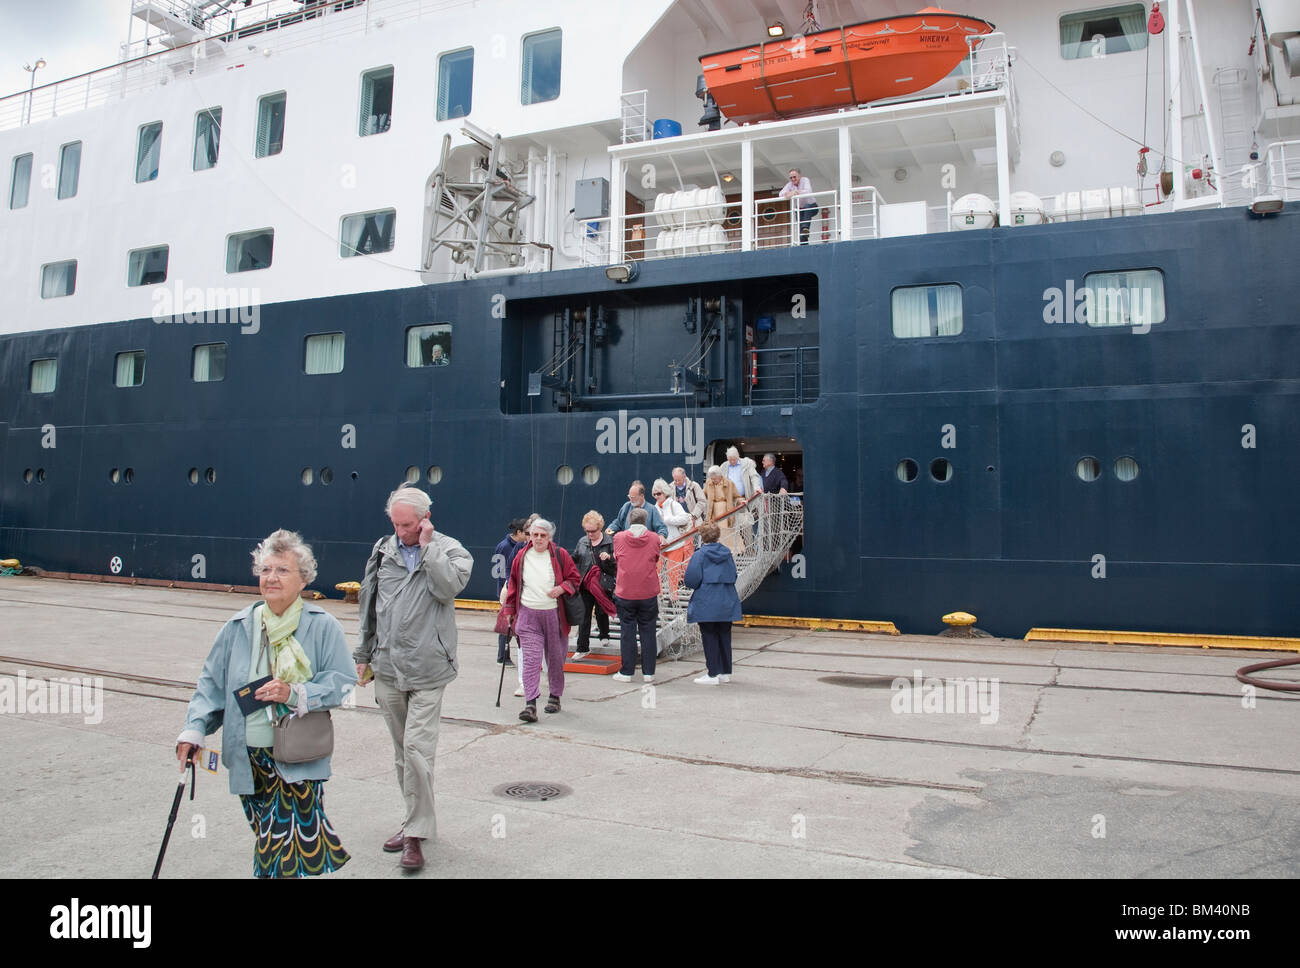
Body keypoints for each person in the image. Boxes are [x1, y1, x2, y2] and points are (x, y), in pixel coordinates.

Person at [176, 529, 356, 878]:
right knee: (276, 846)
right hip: (249, 759)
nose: (271, 578)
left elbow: (342, 682)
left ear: (304, 579)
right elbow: (212, 687)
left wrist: (295, 693)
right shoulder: (238, 626)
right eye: (266, 570)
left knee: (276, 858)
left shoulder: (322, 627)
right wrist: (193, 731)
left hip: (297, 759)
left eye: (283, 570)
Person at [356, 486, 473, 873]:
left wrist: (427, 549)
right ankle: (414, 820)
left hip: (427, 668)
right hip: (388, 666)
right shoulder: (382, 550)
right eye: (395, 523)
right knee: (401, 752)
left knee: (417, 751)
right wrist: (363, 654)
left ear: (424, 520)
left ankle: (414, 836)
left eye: (407, 525)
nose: (399, 531)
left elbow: (448, 588)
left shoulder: (451, 550)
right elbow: (368, 603)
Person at [501, 518, 581, 722]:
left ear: (550, 538)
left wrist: (562, 588)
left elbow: (575, 579)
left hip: (554, 615)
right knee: (530, 660)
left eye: (542, 535)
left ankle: (555, 696)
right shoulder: (521, 555)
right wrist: (509, 608)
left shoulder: (560, 555)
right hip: (528, 615)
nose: (538, 539)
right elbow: (513, 584)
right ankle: (530, 704)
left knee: (555, 659)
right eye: (534, 534)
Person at [684, 521, 742, 684]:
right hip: (726, 598)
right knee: (724, 635)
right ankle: (724, 672)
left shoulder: (700, 554)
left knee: (709, 636)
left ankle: (712, 674)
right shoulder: (727, 553)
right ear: (717, 535)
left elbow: (691, 580)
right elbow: (734, 575)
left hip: (706, 600)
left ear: (702, 536)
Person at [612, 507, 662, 683]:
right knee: (648, 631)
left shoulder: (618, 538)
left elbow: (617, 557)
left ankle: (627, 672)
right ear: (645, 520)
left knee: (628, 631)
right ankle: (649, 672)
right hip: (647, 590)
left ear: (629, 521)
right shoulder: (654, 538)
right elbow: (655, 558)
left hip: (626, 591)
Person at [571, 510, 617, 659]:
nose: (590, 534)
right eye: (587, 531)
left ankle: (604, 634)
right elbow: (575, 559)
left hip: (603, 584)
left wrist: (609, 558)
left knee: (601, 611)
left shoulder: (610, 542)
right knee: (584, 615)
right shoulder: (582, 542)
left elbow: (618, 565)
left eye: (593, 531)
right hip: (586, 584)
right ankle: (582, 647)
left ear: (600, 528)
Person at [493, 518, 529, 665]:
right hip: (507, 591)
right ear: (519, 532)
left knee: (517, 624)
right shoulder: (504, 546)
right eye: (526, 532)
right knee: (507, 624)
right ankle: (502, 657)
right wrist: (507, 591)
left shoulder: (520, 545)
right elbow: (499, 572)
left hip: (515, 590)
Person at [652, 478, 693, 601]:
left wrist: (666, 519)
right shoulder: (654, 508)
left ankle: (673, 597)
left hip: (675, 543)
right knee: (656, 570)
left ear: (665, 492)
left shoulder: (674, 505)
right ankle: (659, 595)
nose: (656, 496)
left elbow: (685, 519)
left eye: (658, 493)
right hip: (660, 544)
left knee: (672, 571)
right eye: (654, 494)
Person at [724, 446, 762, 552]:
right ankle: (735, 552)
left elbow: (754, 477)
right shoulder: (724, 466)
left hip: (744, 501)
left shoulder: (747, 464)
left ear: (738, 457)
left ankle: (749, 550)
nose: (731, 461)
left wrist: (756, 487)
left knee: (746, 525)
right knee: (731, 527)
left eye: (734, 459)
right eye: (729, 459)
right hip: (730, 502)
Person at [703, 465, 743, 554]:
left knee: (726, 530)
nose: (713, 481)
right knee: (714, 530)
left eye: (715, 479)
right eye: (712, 479)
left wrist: (742, 501)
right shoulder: (708, 483)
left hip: (725, 509)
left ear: (720, 476)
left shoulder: (729, 483)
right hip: (713, 510)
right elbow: (703, 495)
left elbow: (737, 496)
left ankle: (729, 550)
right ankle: (716, 550)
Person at [779, 167, 819, 244]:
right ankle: (804, 243)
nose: (793, 179)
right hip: (800, 210)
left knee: (807, 209)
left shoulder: (805, 180)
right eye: (791, 178)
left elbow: (808, 191)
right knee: (801, 233)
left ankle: (805, 228)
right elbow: (780, 194)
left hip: (812, 206)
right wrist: (790, 193)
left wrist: (795, 192)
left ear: (799, 176)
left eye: (794, 177)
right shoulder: (789, 185)